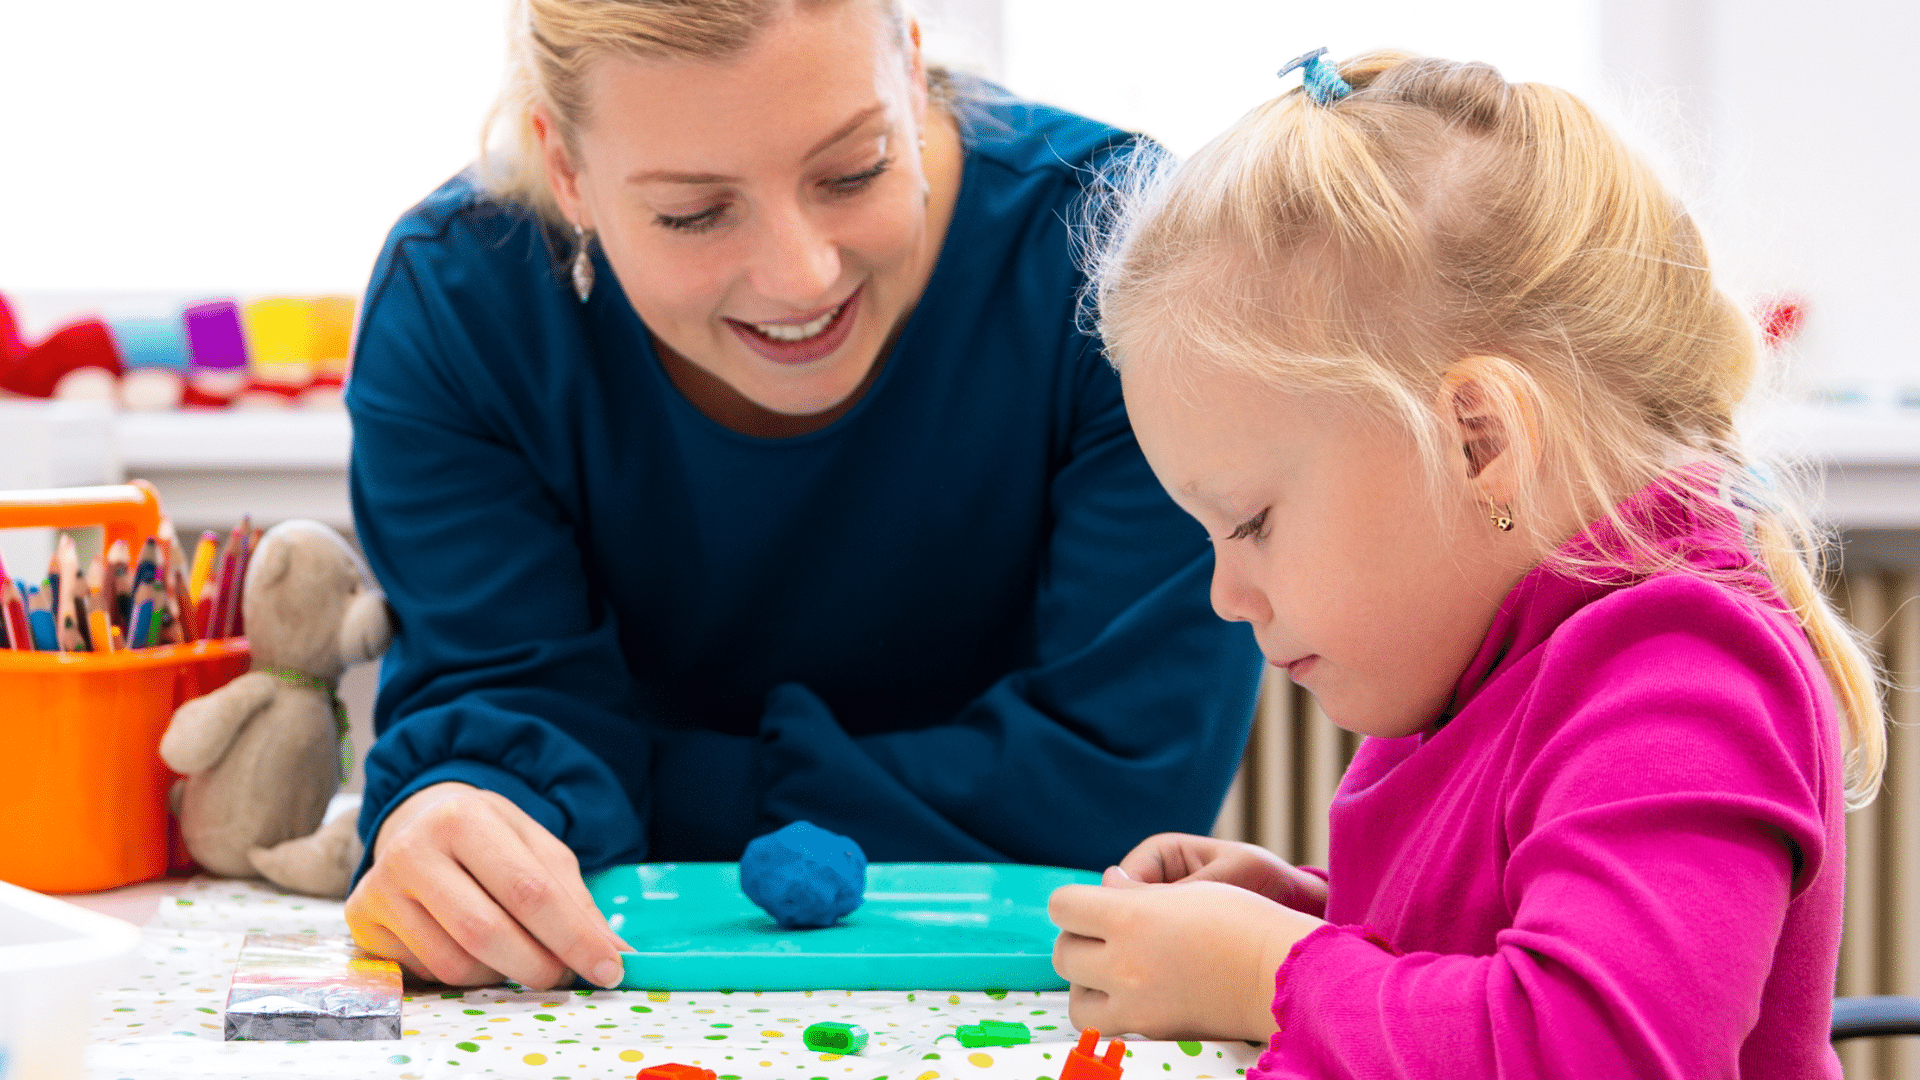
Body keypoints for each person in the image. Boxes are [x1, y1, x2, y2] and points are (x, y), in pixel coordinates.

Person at [340, 0, 1263, 992]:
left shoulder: (1126, 253)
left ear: (912, 73)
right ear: (566, 170)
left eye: (853, 170)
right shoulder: (458, 308)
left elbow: (1117, 794)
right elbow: (499, 736)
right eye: (693, 213)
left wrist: (633, 784)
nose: (801, 277)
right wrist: (458, 820)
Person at [1048, 50, 1884, 1078]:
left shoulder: (1682, 675)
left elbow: (1586, 1050)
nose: (1226, 596)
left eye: (1251, 521)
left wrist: (1271, 972)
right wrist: (1307, 918)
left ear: (1478, 440)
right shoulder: (1482, 648)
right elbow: (1501, 953)